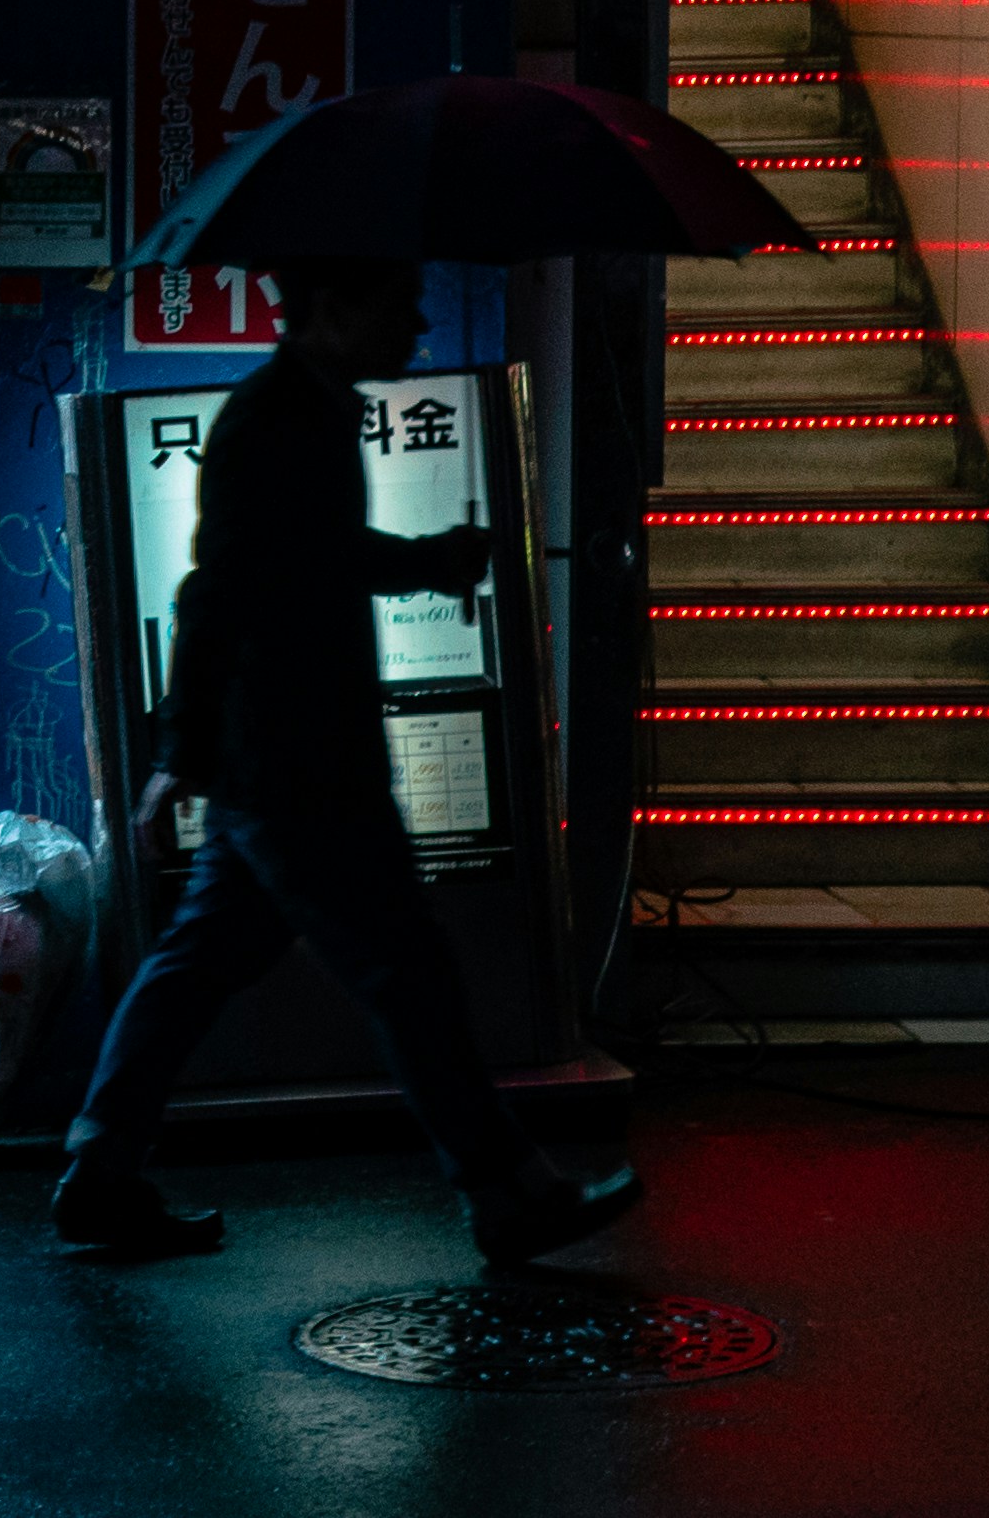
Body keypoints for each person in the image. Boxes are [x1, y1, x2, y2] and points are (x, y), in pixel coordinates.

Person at [54, 301, 637, 1270]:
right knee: (406, 972)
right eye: (388, 296)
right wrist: (177, 759)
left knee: (199, 966)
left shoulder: (306, 410)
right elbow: (223, 587)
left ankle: (100, 1171)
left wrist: (426, 562)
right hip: (302, 764)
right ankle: (505, 1191)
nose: (411, 318)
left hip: (276, 760)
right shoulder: (275, 419)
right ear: (331, 307)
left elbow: (306, 559)